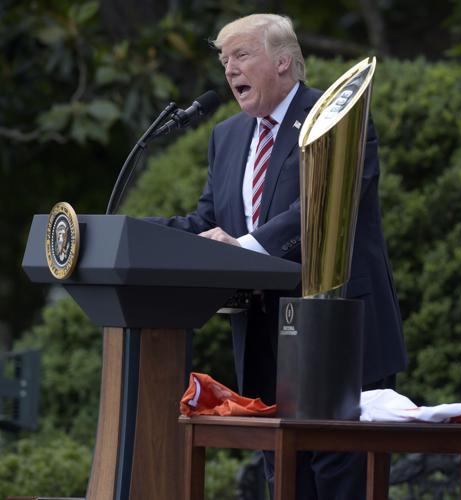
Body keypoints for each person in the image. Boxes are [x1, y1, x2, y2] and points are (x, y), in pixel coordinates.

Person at [147, 13, 407, 499]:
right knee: (284, 477)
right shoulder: (227, 136)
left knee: (341, 474)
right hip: (264, 336)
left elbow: (322, 204)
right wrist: (134, 233)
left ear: (283, 61)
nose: (229, 69)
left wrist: (245, 249)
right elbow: (209, 221)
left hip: (336, 330)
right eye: (224, 60)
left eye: (241, 55)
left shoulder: (336, 115)